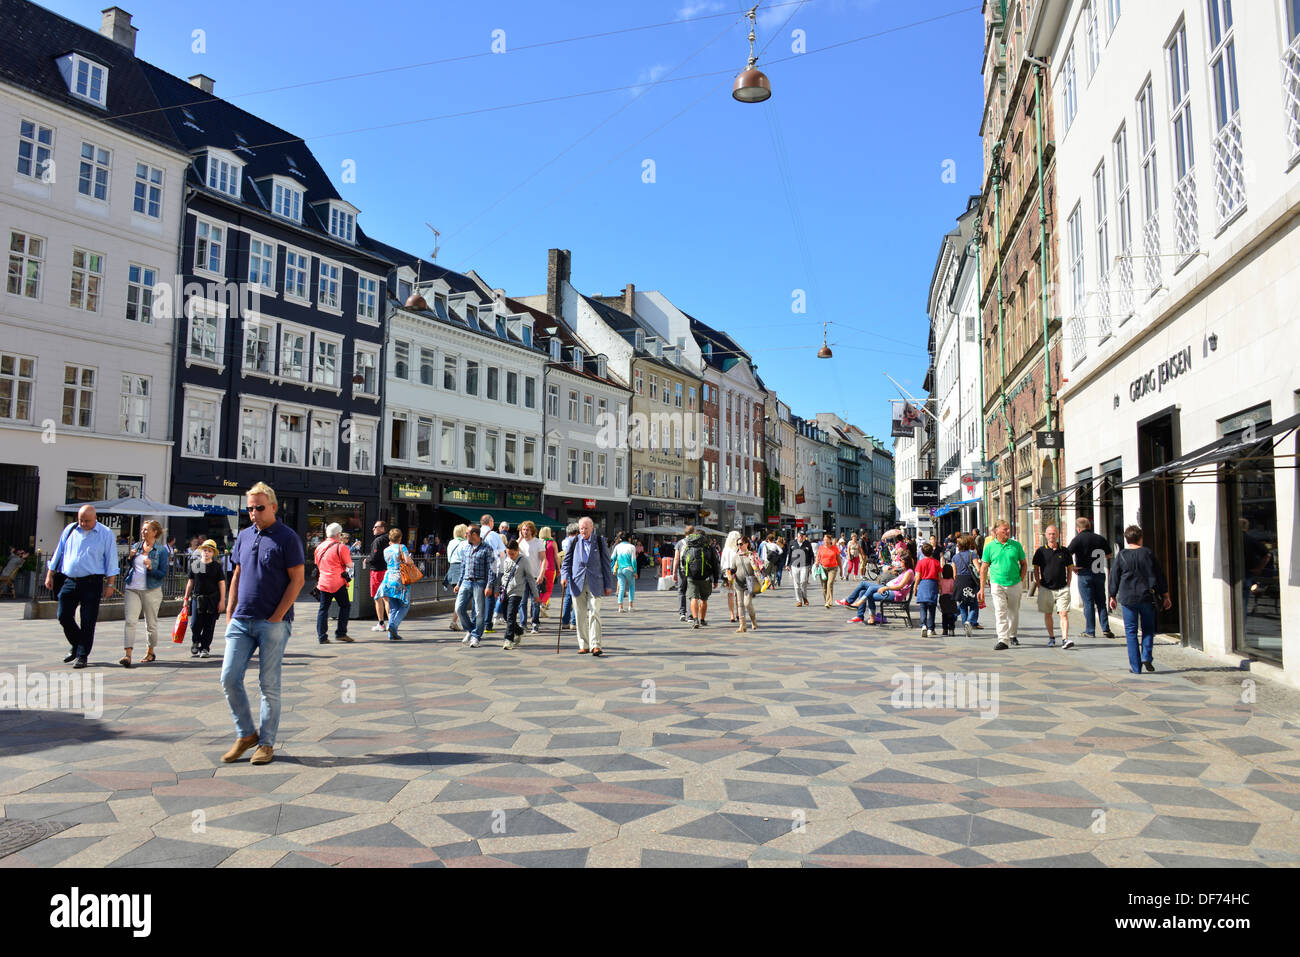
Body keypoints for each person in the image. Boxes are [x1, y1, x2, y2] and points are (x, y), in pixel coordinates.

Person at [220, 482, 305, 767]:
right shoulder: (244, 536)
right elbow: (237, 575)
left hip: (272, 622)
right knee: (229, 678)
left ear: (273, 507)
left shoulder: (287, 537)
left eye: (259, 507)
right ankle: (246, 734)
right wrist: (230, 612)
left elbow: (298, 580)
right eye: (250, 508)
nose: (253, 513)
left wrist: (277, 616)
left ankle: (266, 744)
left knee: (269, 685)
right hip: (241, 620)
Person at [45, 505, 118, 669]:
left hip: (92, 581)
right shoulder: (71, 529)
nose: (83, 523)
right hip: (69, 579)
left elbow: (111, 560)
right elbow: (59, 552)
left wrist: (110, 583)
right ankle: (77, 644)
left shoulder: (105, 533)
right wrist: (50, 574)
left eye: (87, 521)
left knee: (87, 619)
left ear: (95, 518)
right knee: (63, 615)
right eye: (81, 520)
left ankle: (82, 655)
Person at [1108, 525, 1171, 675]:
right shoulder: (1148, 553)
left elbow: (1114, 577)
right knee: (1148, 629)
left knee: (1131, 632)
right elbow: (1159, 575)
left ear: (1126, 538)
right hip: (1147, 596)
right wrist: (1166, 595)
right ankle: (1146, 656)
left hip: (1128, 598)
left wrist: (1112, 595)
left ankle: (1136, 667)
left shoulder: (1121, 555)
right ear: (1140, 538)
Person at [560, 517, 614, 656]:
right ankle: (583, 644)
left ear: (592, 528)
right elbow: (566, 563)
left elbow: (607, 565)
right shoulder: (573, 541)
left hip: (595, 582)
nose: (583, 531)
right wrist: (564, 576)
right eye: (581, 528)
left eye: (586, 528)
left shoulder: (600, 542)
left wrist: (608, 584)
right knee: (579, 614)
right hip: (576, 582)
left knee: (594, 612)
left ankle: (595, 645)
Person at [120, 519, 169, 668]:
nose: (143, 532)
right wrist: (130, 557)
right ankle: (128, 655)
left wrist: (150, 568)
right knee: (130, 621)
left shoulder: (161, 551)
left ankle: (150, 651)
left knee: (151, 624)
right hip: (132, 588)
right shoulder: (136, 546)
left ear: (155, 532)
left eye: (146, 529)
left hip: (151, 590)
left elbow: (162, 573)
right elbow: (129, 566)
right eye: (142, 529)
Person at [978, 519, 1028, 652]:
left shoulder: (1015, 545)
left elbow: (1024, 564)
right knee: (1000, 612)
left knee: (1013, 612)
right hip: (997, 583)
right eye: (1004, 529)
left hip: (1014, 583)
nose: (1007, 531)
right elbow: (983, 568)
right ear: (996, 531)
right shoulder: (989, 547)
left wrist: (1021, 580)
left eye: (1008, 529)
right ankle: (1002, 639)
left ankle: (1012, 635)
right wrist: (982, 588)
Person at [1066, 516, 1116, 640]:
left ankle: (1090, 630)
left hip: (1084, 573)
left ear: (1078, 529)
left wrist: (1073, 567)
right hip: (1099, 573)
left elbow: (1066, 555)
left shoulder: (1077, 539)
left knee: (1088, 603)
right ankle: (1106, 629)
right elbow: (1109, 555)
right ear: (1090, 526)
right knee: (1101, 602)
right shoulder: (1100, 539)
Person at [183, 539, 226, 658]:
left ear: (213, 553)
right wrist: (186, 598)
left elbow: (221, 584)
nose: (206, 553)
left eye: (209, 551)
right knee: (195, 623)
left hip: (212, 599)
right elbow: (190, 582)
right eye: (205, 550)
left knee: (209, 624)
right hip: (198, 598)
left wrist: (222, 600)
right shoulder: (196, 565)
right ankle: (196, 640)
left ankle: (205, 647)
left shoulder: (216, 566)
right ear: (201, 551)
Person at [1032, 525, 1074, 648]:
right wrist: (1039, 585)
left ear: (1058, 535)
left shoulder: (1065, 551)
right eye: (1049, 534)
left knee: (1064, 613)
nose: (1052, 536)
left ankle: (1065, 639)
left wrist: (1068, 584)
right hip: (1046, 588)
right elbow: (1036, 569)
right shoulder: (1040, 551)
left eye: (1054, 534)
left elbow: (1070, 569)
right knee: (1048, 614)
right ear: (1046, 535)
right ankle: (1051, 637)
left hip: (1062, 588)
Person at [313, 523, 354, 645]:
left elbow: (317, 564)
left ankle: (322, 636)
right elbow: (349, 565)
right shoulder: (341, 547)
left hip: (323, 582)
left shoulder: (319, 547)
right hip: (337, 582)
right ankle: (341, 633)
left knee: (323, 609)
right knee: (345, 606)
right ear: (338, 534)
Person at [455, 526, 495, 647]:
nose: (465, 535)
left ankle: (476, 636)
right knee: (459, 608)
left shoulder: (487, 548)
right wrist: (458, 583)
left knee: (479, 611)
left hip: (480, 582)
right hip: (466, 581)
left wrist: (489, 585)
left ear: (474, 534)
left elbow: (491, 569)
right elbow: (463, 567)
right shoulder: (466, 547)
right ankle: (471, 629)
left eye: (467, 533)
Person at [854, 556, 915, 626]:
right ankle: (861, 615)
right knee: (864, 591)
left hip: (896, 594)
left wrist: (886, 588)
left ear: (906, 563)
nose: (900, 564)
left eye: (902, 562)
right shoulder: (905, 571)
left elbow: (900, 586)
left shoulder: (909, 572)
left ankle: (869, 614)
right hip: (891, 590)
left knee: (869, 592)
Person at [680, 526, 720, 629]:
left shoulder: (689, 547)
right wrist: (716, 579)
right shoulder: (709, 548)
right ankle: (702, 619)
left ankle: (695, 620)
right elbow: (715, 564)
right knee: (704, 599)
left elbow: (684, 561)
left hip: (691, 577)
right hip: (705, 577)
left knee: (694, 598)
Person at [377, 529, 412, 641]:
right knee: (405, 605)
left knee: (393, 607)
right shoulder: (402, 547)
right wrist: (410, 560)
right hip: (400, 578)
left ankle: (392, 634)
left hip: (388, 579)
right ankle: (393, 626)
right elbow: (407, 561)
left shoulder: (386, 550)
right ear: (400, 538)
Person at [499, 539, 529, 651]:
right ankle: (520, 631)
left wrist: (535, 594)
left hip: (517, 590)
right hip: (506, 590)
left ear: (517, 551)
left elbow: (530, 577)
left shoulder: (524, 560)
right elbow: (503, 574)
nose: (510, 555)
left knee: (511, 614)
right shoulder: (507, 559)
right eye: (508, 553)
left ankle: (508, 639)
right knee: (506, 616)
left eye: (512, 553)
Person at [952, 533, 982, 636]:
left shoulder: (955, 557)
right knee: (973, 604)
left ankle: (965, 625)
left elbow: (954, 574)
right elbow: (978, 569)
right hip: (970, 580)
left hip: (959, 581)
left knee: (963, 605)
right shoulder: (972, 554)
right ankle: (970, 621)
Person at [517, 521, 545, 632]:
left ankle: (535, 623)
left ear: (532, 530)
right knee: (522, 602)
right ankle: (523, 623)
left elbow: (543, 560)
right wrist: (519, 539)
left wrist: (541, 574)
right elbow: (510, 551)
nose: (525, 532)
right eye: (523, 529)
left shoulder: (538, 542)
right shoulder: (519, 543)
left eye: (527, 529)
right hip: (522, 576)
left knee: (535, 602)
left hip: (535, 576)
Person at [727, 537, 759, 633]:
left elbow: (760, 566)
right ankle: (742, 625)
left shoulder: (752, 555)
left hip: (749, 583)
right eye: (738, 544)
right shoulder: (736, 556)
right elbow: (733, 568)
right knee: (740, 604)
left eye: (741, 544)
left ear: (747, 544)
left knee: (747, 603)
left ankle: (753, 621)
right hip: (738, 582)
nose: (739, 546)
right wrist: (729, 572)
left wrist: (765, 577)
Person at [914, 542, 942, 638]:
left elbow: (917, 577)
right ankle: (931, 628)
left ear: (922, 552)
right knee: (932, 608)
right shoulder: (936, 562)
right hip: (932, 584)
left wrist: (915, 587)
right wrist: (940, 587)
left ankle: (923, 625)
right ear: (932, 551)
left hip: (923, 584)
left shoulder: (920, 563)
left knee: (923, 607)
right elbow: (939, 577)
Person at [444, 524, 469, 631]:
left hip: (452, 569)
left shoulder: (451, 542)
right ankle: (455, 621)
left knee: (460, 597)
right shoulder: (464, 543)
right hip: (461, 570)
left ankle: (454, 621)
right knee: (462, 598)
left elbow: (449, 558)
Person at [368, 520, 391, 633]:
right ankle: (392, 623)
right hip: (388, 571)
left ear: (382, 528)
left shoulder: (378, 540)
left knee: (378, 598)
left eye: (375, 527)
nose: (373, 529)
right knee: (387, 598)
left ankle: (381, 623)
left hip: (377, 572)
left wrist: (367, 560)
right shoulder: (389, 539)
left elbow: (374, 557)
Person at [611, 531, 638, 612]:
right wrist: (635, 571)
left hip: (620, 569)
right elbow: (633, 560)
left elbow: (612, 557)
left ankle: (620, 607)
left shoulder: (617, 546)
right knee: (631, 586)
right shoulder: (632, 547)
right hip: (629, 568)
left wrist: (613, 567)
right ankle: (630, 606)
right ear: (629, 538)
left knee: (621, 588)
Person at [786, 531, 813, 607]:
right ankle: (799, 600)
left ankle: (804, 597)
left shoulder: (807, 543)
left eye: (802, 536)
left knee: (803, 582)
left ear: (804, 536)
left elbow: (811, 555)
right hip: (794, 566)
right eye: (799, 536)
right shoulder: (792, 543)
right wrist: (787, 564)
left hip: (805, 565)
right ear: (797, 536)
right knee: (796, 584)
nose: (801, 537)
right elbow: (789, 554)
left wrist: (811, 565)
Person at [720, 531, 741, 622]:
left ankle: (732, 614)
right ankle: (738, 613)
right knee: (738, 594)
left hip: (727, 573)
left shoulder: (725, 549)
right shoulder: (738, 549)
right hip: (737, 572)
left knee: (730, 594)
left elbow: (722, 563)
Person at [538, 525, 559, 616]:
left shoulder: (538, 542)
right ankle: (542, 605)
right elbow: (556, 556)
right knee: (549, 590)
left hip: (539, 568)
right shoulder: (553, 542)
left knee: (541, 589)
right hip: (550, 568)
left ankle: (539, 606)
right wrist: (558, 568)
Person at [816, 533, 841, 608]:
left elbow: (838, 559)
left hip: (833, 568)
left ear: (830, 540)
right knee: (824, 586)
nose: (825, 541)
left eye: (827, 540)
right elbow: (817, 557)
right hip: (823, 568)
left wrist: (841, 570)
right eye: (824, 540)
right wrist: (816, 562)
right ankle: (827, 601)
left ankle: (829, 601)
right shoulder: (820, 548)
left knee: (829, 584)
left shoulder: (834, 548)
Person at [939, 563, 958, 635]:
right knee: (951, 615)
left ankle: (945, 629)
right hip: (951, 598)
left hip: (943, 598)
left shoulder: (941, 580)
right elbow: (953, 590)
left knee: (944, 614)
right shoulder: (952, 581)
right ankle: (951, 629)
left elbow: (939, 589)